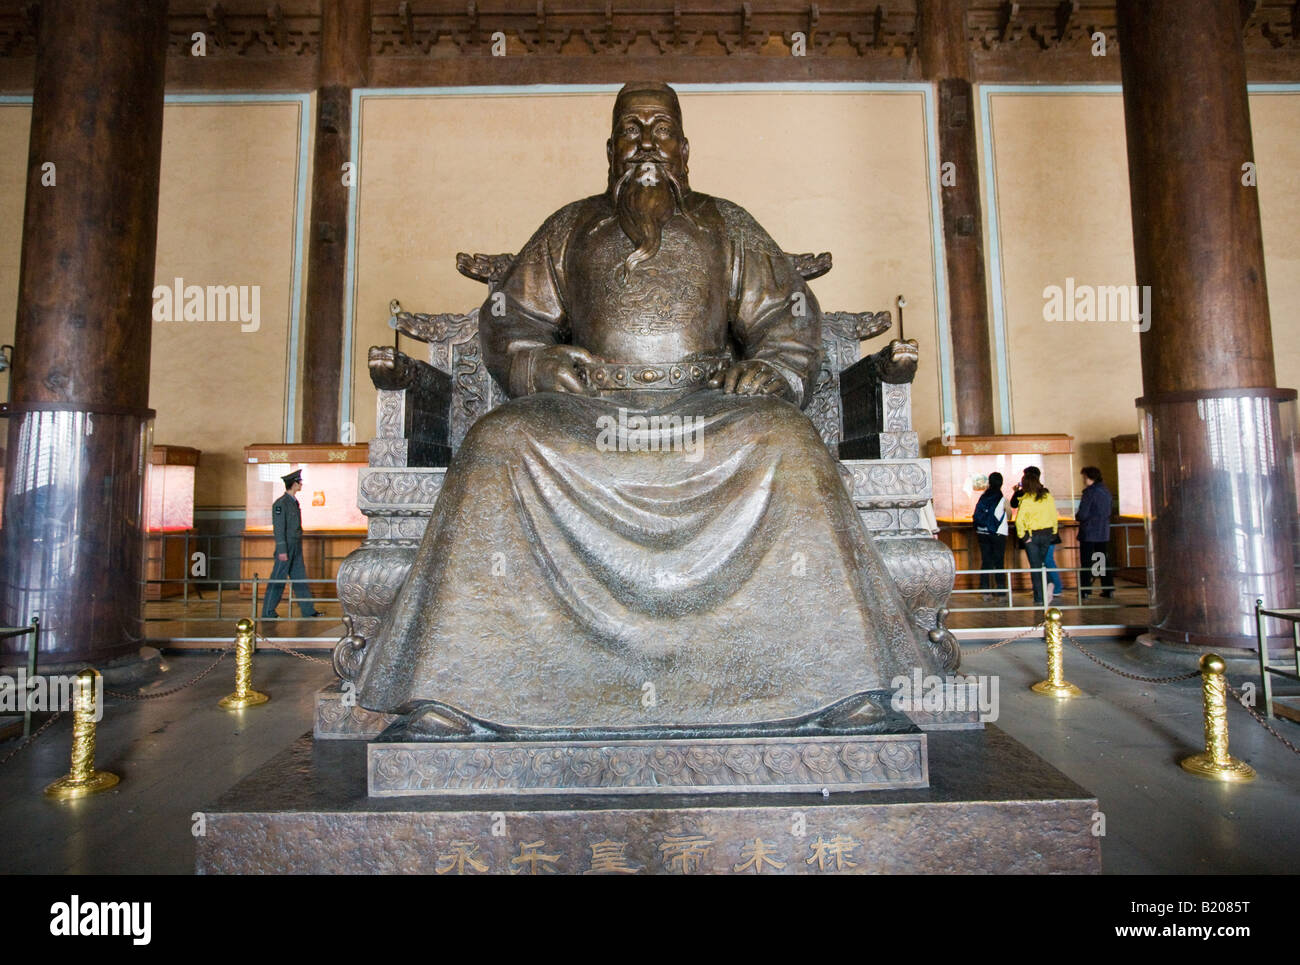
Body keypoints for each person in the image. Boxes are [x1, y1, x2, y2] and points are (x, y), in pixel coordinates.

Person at [353, 81, 947, 727]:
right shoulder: (571, 226)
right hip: (587, 410)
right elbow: (509, 315)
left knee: (790, 444)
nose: (645, 142)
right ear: (609, 148)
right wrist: (537, 360)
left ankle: (846, 686)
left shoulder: (727, 224)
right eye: (630, 130)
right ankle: (452, 694)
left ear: (684, 147)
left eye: (660, 128)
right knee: (497, 444)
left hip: (706, 407)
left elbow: (788, 311)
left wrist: (773, 369)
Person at [260, 469, 321, 620]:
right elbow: (279, 529)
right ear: (294, 484)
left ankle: (308, 610)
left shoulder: (293, 502)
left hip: (295, 546)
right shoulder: (281, 504)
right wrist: (282, 549)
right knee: (278, 579)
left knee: (300, 577)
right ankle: (268, 612)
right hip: (286, 547)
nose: (301, 484)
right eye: (299, 482)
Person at [1011, 465, 1063, 597]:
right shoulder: (1047, 496)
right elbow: (1053, 515)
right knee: (1044, 562)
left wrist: (1024, 536)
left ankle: (1041, 595)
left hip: (1032, 536)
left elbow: (1019, 520)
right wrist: (1053, 532)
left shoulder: (1026, 499)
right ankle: (1049, 586)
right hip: (1047, 534)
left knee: (1036, 565)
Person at [1076, 466, 1115, 599]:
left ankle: (1085, 590)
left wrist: (1078, 517)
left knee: (1086, 562)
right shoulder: (1106, 491)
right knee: (1102, 560)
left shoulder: (1089, 493)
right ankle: (1108, 588)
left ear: (1089, 477)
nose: (1083, 480)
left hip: (1089, 532)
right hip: (1103, 531)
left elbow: (1083, 513)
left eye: (1084, 477)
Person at [972, 472, 1007, 602]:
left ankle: (986, 591)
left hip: (982, 532)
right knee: (999, 562)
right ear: (1001, 483)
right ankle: (1001, 591)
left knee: (986, 561)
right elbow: (1007, 514)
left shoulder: (984, 496)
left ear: (989, 482)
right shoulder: (1001, 497)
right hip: (997, 533)